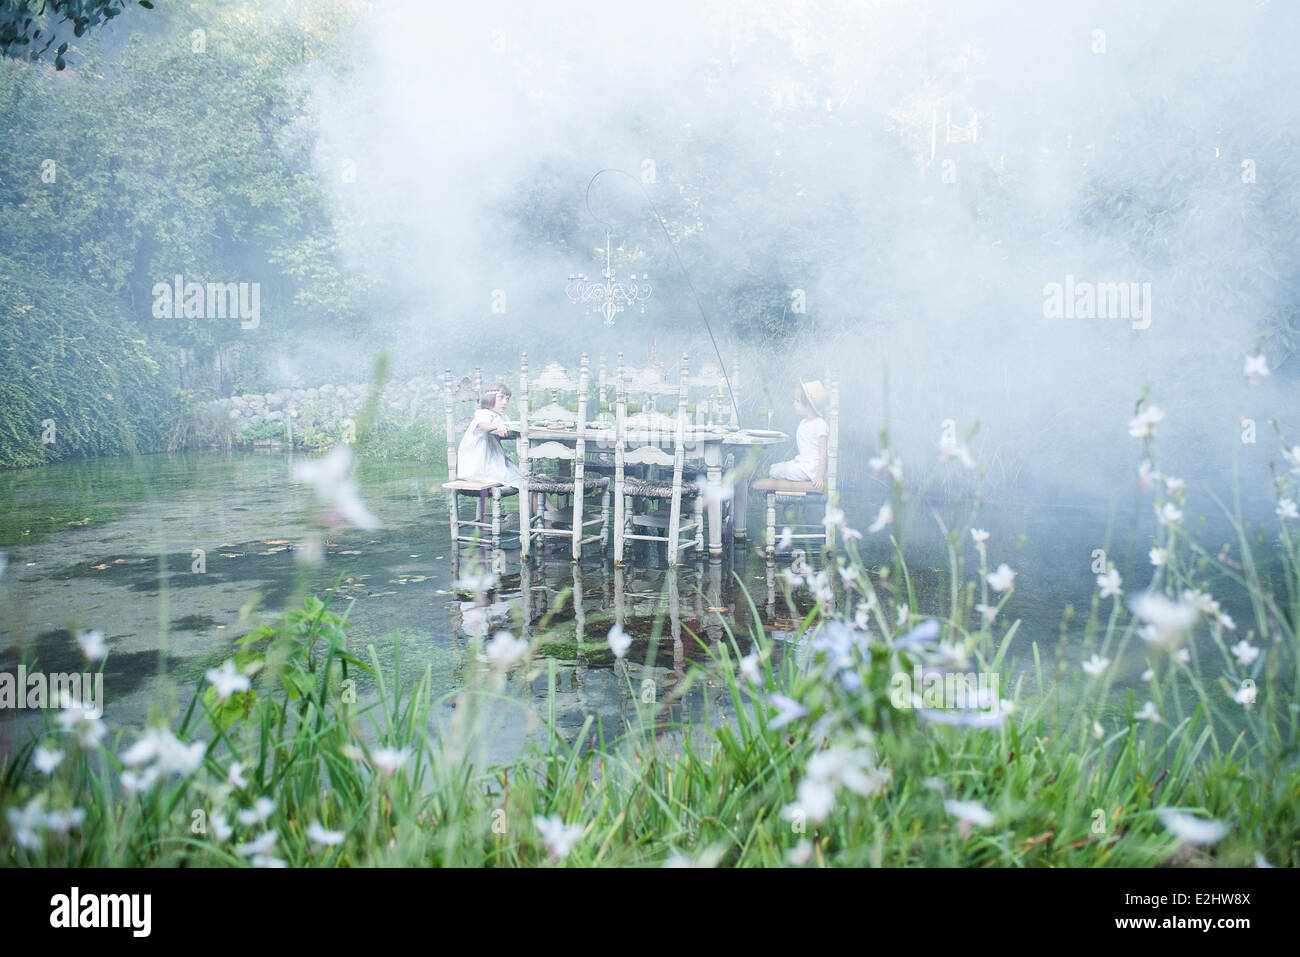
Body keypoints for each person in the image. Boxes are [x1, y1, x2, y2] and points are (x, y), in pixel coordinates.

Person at [456, 383, 521, 489]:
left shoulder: (501, 416)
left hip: (493, 457)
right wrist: (497, 425)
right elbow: (483, 426)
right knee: (520, 479)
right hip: (478, 462)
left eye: (507, 399)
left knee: (523, 477)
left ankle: (543, 506)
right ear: (490, 398)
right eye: (501, 398)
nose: (505, 402)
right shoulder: (483, 413)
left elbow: (506, 430)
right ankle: (544, 505)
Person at [768, 380, 829, 489]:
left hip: (812, 468)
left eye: (797, 401)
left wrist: (819, 476)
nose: (794, 404)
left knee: (786, 470)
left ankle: (801, 477)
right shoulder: (803, 423)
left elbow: (823, 453)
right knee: (774, 469)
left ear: (809, 405)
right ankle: (787, 474)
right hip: (801, 463)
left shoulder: (820, 424)